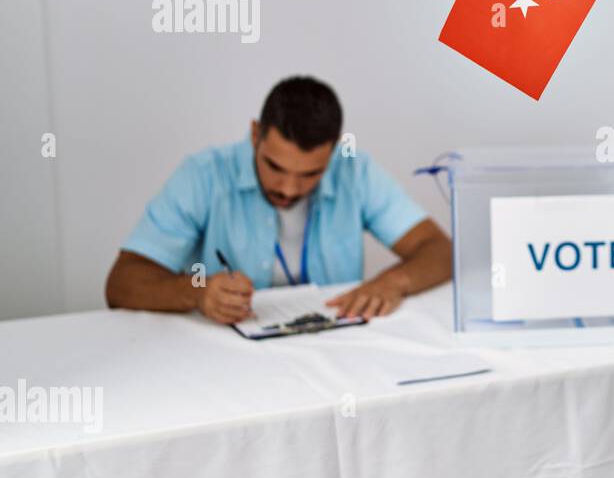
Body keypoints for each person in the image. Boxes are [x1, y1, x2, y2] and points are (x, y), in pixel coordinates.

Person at [105, 76, 451, 324]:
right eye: (275, 166)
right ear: (256, 135)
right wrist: (196, 292)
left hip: (334, 354)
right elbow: (122, 283)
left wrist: (391, 282)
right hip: (226, 360)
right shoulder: (203, 174)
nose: (288, 188)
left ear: (333, 150)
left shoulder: (355, 171)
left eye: (310, 174)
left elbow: (439, 250)